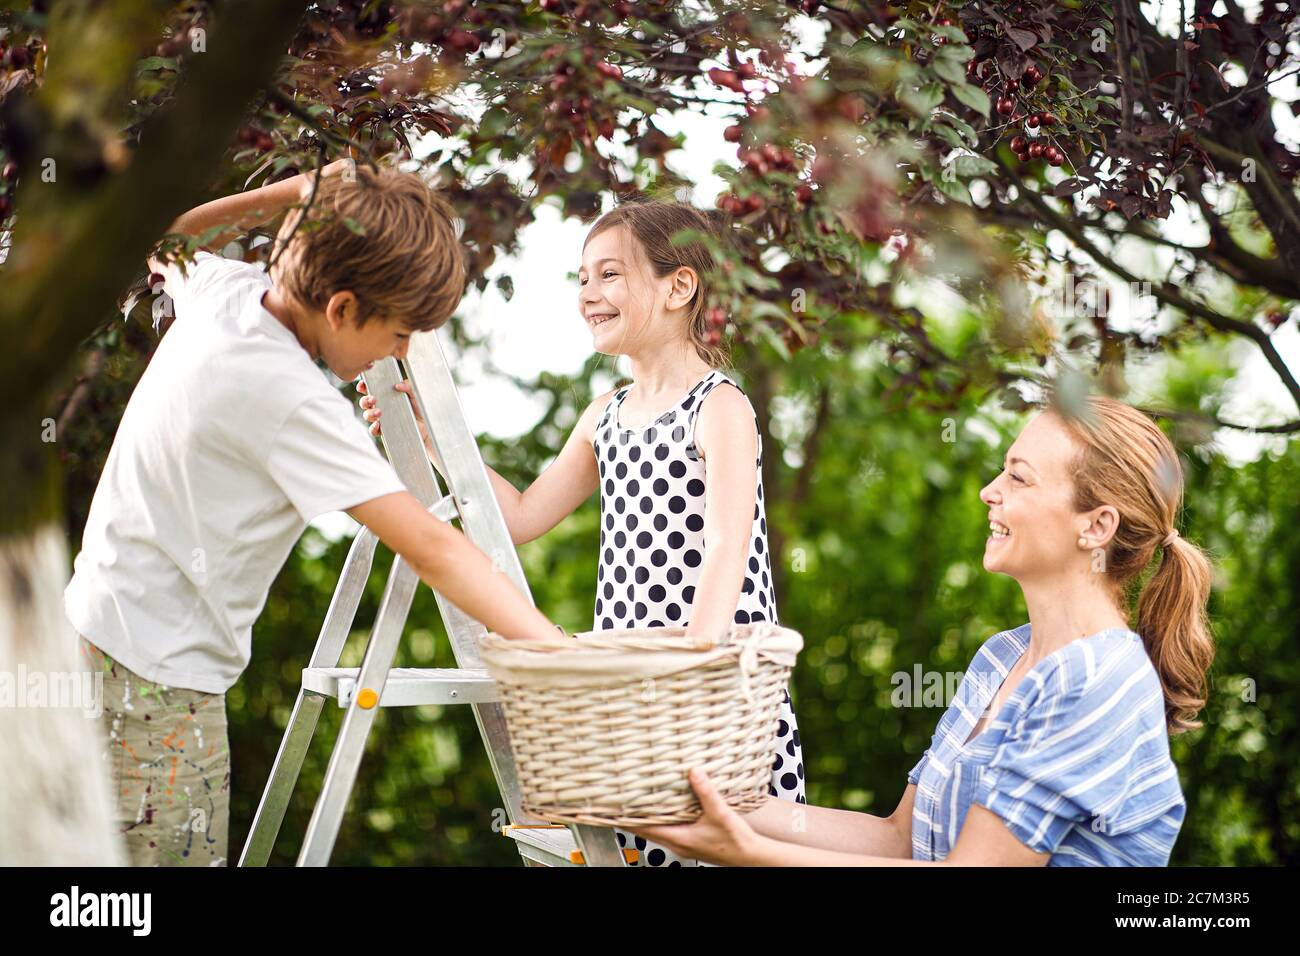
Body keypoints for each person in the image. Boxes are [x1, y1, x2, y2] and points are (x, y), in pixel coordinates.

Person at [65, 160, 561, 867]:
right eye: (397, 335)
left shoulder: (230, 293)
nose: (400, 353)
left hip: (96, 635)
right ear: (342, 309)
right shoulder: (291, 397)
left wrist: (290, 192)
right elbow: (433, 547)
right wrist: (557, 653)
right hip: (155, 683)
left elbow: (156, 236)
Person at [359, 199, 805, 866]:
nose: (588, 295)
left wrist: (688, 680)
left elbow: (726, 549)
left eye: (609, 276)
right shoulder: (606, 415)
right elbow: (520, 516)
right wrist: (430, 439)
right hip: (630, 704)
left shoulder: (719, 407)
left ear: (679, 287)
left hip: (712, 703)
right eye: (582, 279)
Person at [626, 396, 1214, 866]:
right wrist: (706, 800)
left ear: (1096, 526)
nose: (990, 490)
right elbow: (902, 839)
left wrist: (751, 854)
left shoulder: (1097, 681)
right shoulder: (1002, 657)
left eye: (1019, 477)